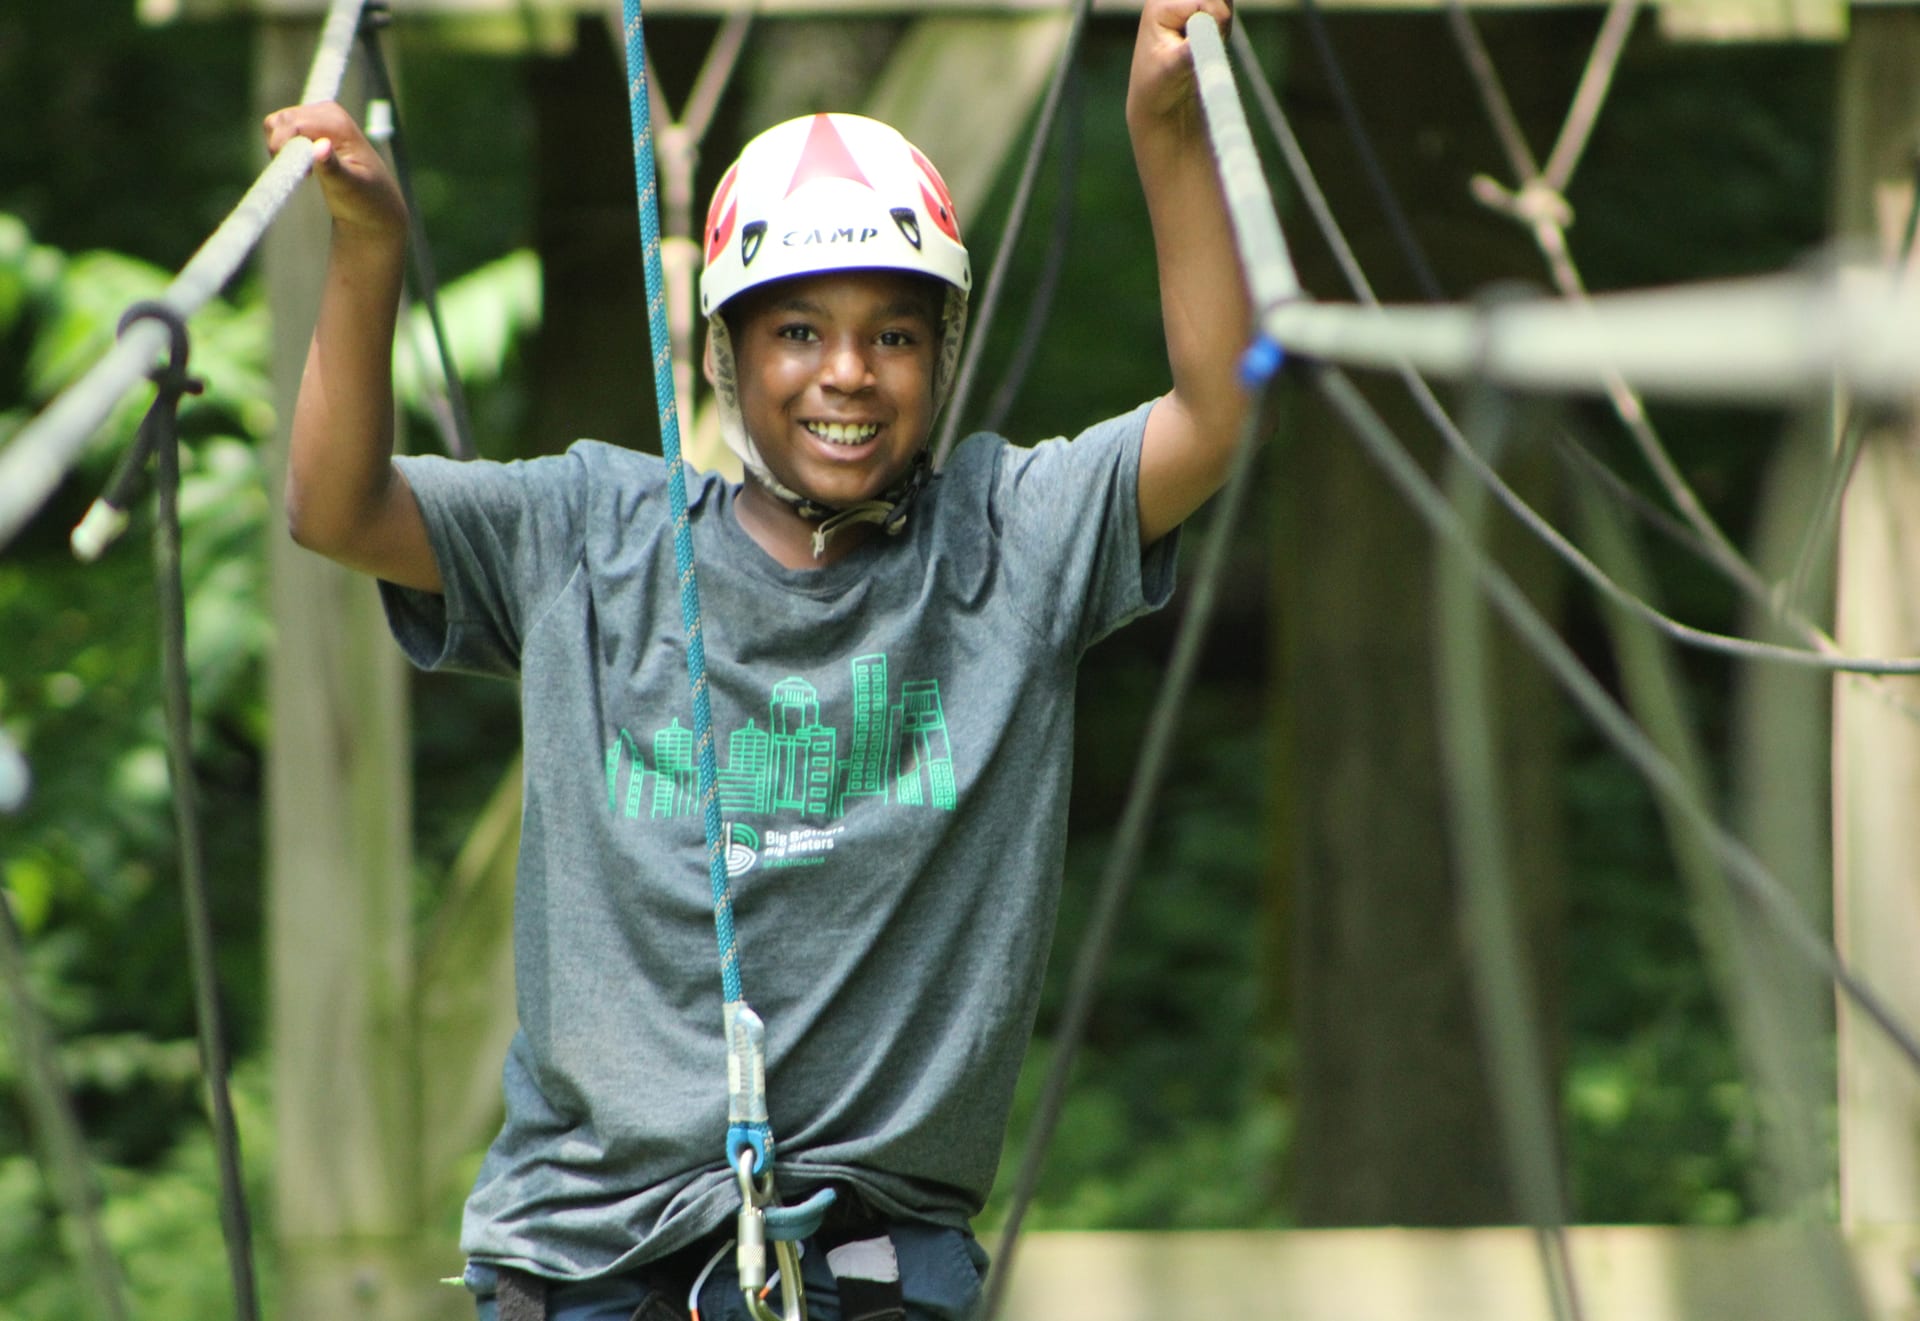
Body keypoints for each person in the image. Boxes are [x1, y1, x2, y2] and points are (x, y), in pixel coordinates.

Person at [263, 1, 1247, 1317]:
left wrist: (1165, 129)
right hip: (581, 1254)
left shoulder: (1011, 538)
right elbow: (335, 507)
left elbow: (1219, 410)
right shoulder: (592, 535)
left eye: (893, 333)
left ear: (941, 352)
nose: (846, 373)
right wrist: (367, 249)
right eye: (797, 332)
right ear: (724, 351)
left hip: (862, 1261)